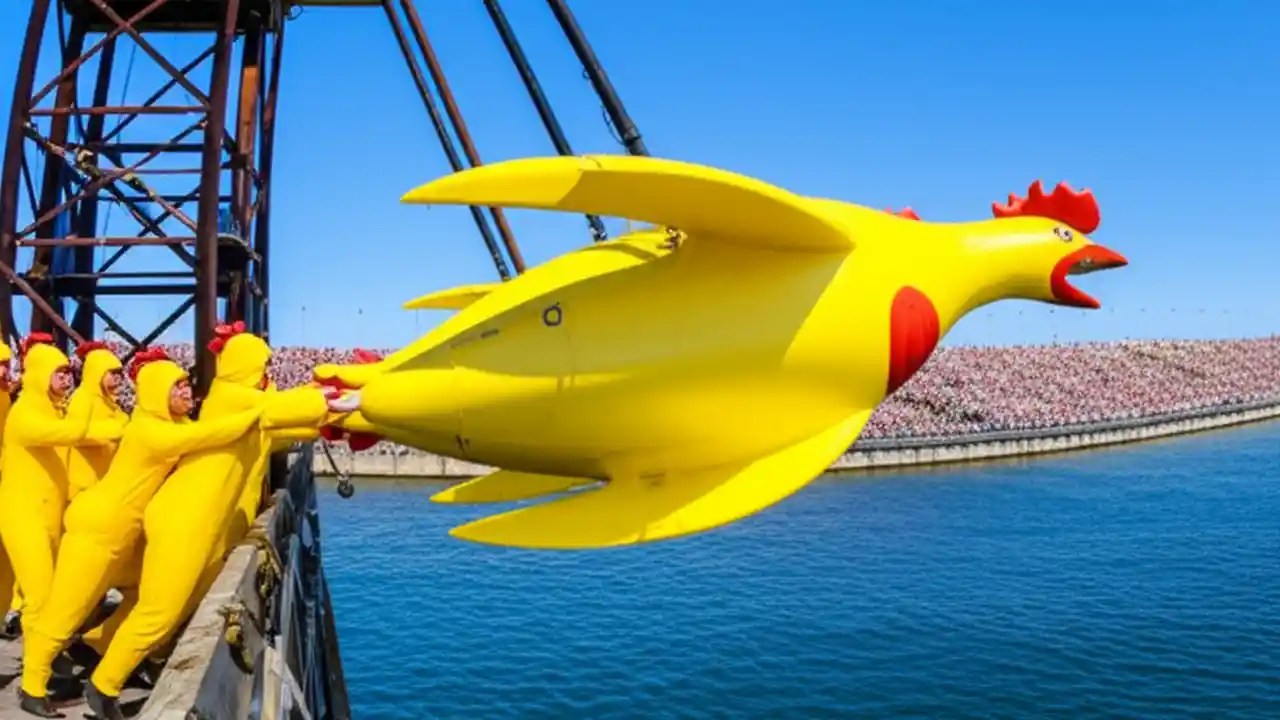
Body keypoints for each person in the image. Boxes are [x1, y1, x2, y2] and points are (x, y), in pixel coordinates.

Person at [84, 323, 345, 720]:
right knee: (159, 612)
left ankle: (99, 645)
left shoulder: (244, 404)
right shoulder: (231, 398)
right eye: (263, 364)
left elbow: (281, 426)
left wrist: (333, 422)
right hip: (184, 518)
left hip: (200, 520)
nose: (268, 373)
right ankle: (104, 685)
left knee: (183, 604)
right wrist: (339, 399)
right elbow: (278, 409)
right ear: (245, 365)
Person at [17, 346, 265, 716]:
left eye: (186, 385)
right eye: (177, 386)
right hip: (100, 526)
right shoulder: (151, 429)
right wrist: (260, 410)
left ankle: (96, 647)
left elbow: (201, 433)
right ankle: (32, 687)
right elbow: (210, 435)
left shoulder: (172, 424)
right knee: (66, 610)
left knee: (143, 598)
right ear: (156, 391)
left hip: (125, 532)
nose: (186, 392)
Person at [0, 334, 125, 665]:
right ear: (40, 375)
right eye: (59, 372)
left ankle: (43, 659)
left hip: (49, 516)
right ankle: (37, 669)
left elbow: (88, 435)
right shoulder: (25, 414)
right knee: (40, 597)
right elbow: (73, 434)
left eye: (68, 372)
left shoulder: (54, 412)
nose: (66, 378)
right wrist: (87, 397)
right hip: (23, 516)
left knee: (37, 594)